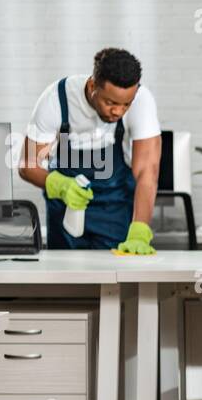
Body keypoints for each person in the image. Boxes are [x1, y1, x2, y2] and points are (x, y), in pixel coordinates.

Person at [19, 48, 161, 253]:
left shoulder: (142, 100)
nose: (118, 112)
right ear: (93, 85)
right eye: (110, 102)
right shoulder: (56, 99)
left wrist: (140, 229)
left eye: (126, 105)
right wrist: (59, 185)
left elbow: (147, 171)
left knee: (113, 281)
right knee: (66, 281)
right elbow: (27, 165)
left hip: (114, 212)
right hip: (64, 213)